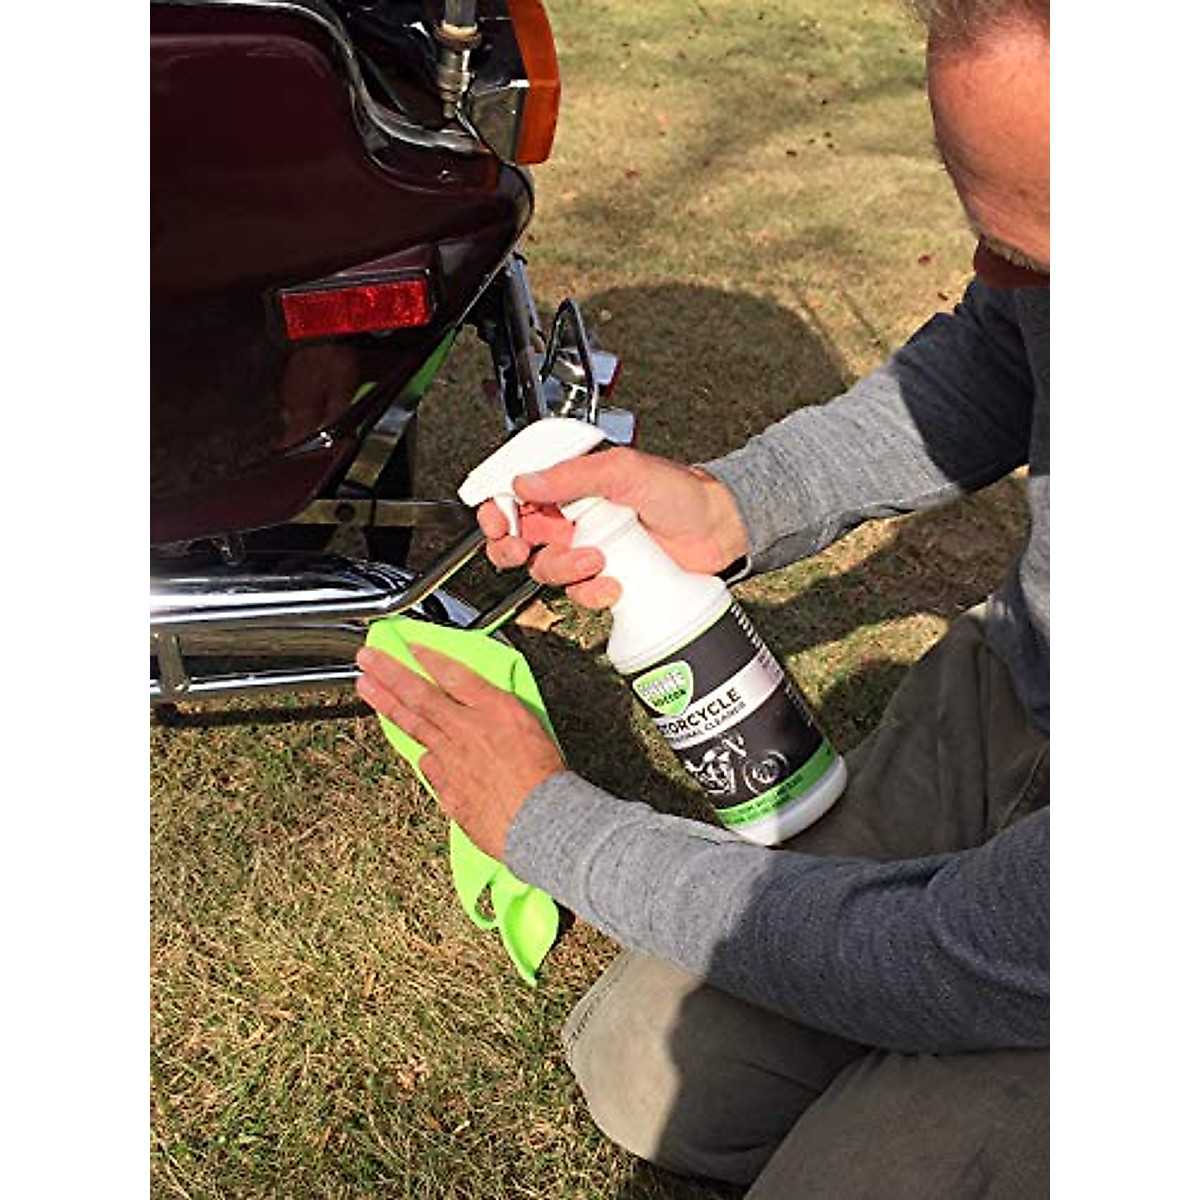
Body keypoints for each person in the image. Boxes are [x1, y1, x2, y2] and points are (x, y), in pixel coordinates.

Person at [355, 0, 1050, 1193]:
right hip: (1021, 697)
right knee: (641, 1073)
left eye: (1044, 257)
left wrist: (549, 825)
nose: (996, 273)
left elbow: (958, 955)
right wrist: (733, 505)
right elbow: (1000, 352)